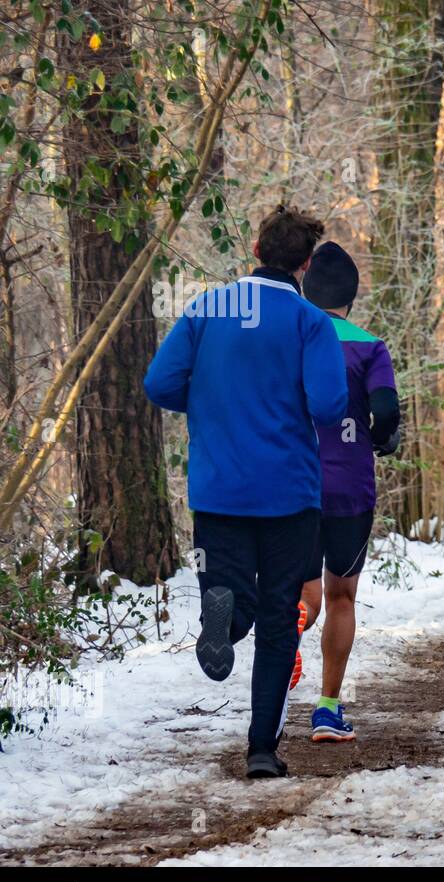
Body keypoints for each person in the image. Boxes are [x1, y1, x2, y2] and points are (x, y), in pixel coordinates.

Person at [144, 206, 347, 779]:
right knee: (282, 618)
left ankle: (225, 616)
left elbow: (159, 384)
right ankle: (262, 750)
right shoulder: (311, 324)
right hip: (289, 493)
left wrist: (214, 406)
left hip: (218, 489)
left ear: (255, 251)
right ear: (306, 265)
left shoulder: (207, 308)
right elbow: (330, 406)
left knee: (231, 593)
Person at [295, 241, 400, 743]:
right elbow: (387, 411)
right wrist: (382, 438)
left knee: (304, 593)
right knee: (341, 595)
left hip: (292, 483)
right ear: (352, 297)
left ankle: (293, 625)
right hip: (349, 490)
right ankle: (327, 709)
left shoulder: (290, 341)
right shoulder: (369, 346)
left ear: (305, 290)